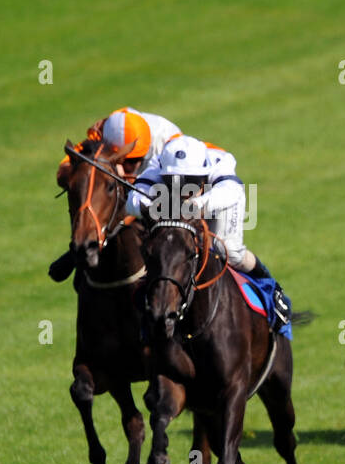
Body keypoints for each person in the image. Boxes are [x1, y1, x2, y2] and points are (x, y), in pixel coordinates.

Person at [126, 135, 291, 324]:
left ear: (203, 176)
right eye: (174, 182)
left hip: (216, 200)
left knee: (227, 250)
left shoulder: (219, 164)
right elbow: (133, 202)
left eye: (191, 182)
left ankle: (271, 289)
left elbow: (232, 191)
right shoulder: (157, 165)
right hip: (177, 206)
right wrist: (159, 206)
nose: (183, 189)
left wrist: (195, 205)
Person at [49, 106, 183, 282]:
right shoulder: (103, 133)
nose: (129, 167)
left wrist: (127, 181)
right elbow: (63, 172)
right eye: (125, 161)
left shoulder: (170, 143)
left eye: (134, 161)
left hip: (167, 187)